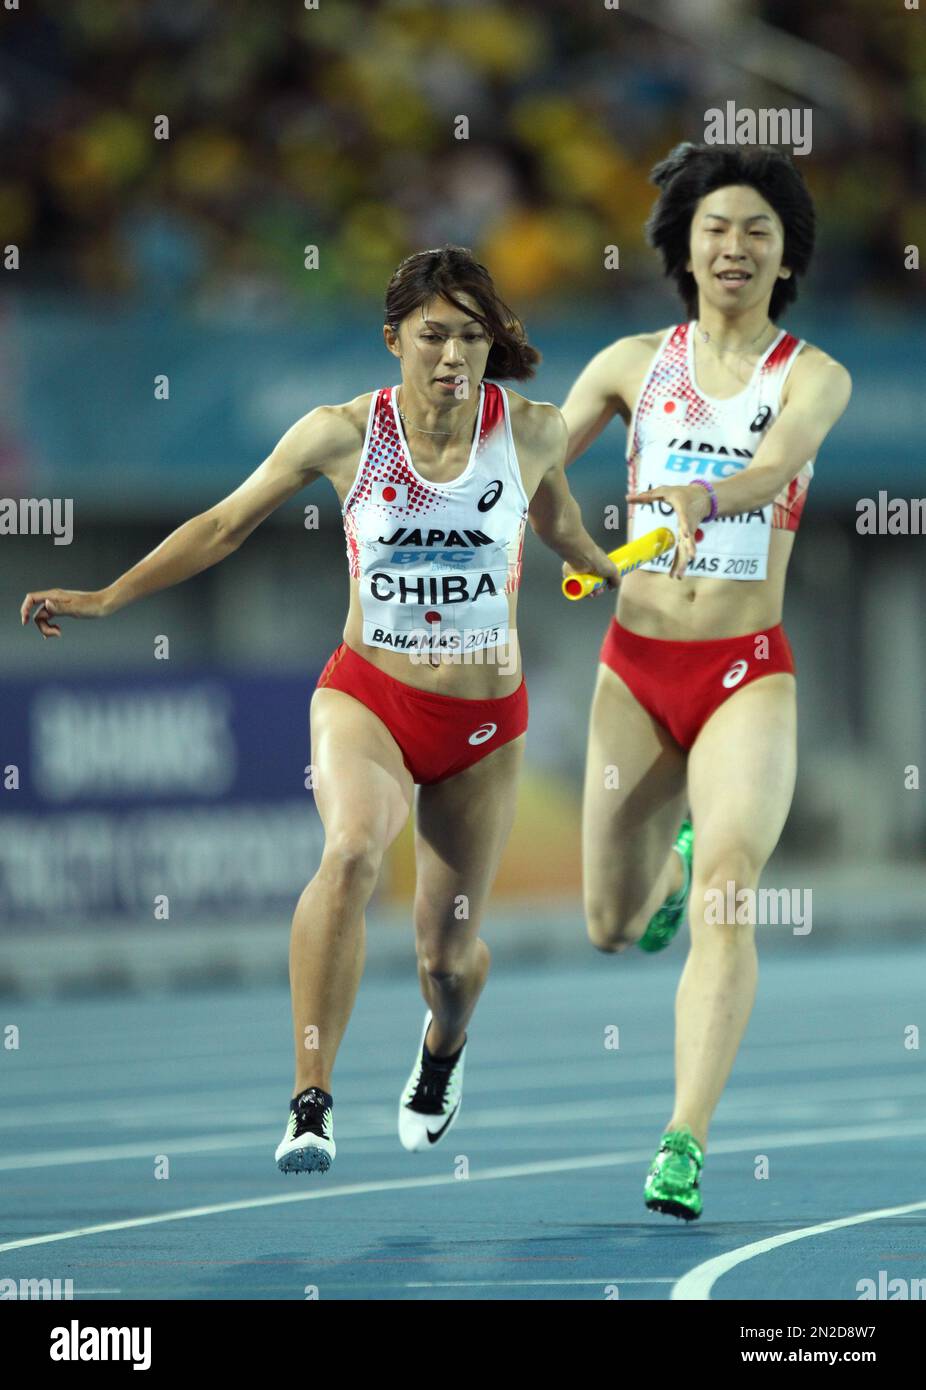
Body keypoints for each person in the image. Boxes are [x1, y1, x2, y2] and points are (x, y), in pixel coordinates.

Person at [21, 244, 618, 1174]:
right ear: (394, 340)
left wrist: (604, 568)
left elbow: (562, 529)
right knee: (347, 853)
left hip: (482, 726)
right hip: (368, 696)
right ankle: (311, 1101)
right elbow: (221, 524)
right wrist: (108, 598)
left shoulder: (532, 430)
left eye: (471, 336)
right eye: (433, 336)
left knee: (446, 963)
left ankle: (443, 1050)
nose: (454, 357)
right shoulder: (340, 434)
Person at [561, 144, 852, 1219]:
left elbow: (777, 466)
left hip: (743, 673)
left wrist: (706, 496)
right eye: (716, 229)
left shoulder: (811, 373)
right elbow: (539, 457)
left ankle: (681, 1138)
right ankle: (664, 879)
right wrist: (545, 525)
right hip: (634, 670)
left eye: (757, 233)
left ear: (784, 259)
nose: (734, 246)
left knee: (730, 888)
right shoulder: (631, 363)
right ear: (683, 248)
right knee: (604, 923)